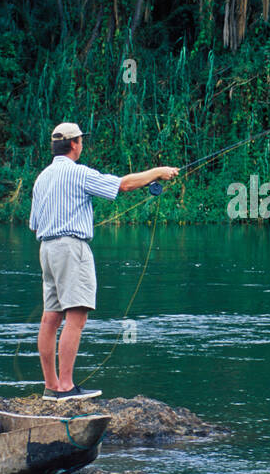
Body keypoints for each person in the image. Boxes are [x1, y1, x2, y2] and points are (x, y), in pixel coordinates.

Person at [29, 121, 178, 400]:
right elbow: (123, 185)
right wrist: (158, 172)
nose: (82, 145)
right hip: (72, 248)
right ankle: (66, 387)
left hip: (46, 250)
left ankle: (51, 386)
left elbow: (35, 226)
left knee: (50, 318)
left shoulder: (42, 178)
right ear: (73, 144)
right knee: (76, 317)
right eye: (81, 141)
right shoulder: (77, 174)